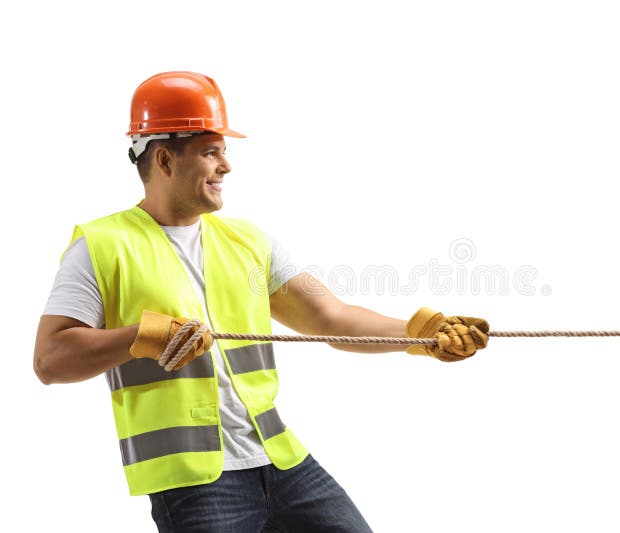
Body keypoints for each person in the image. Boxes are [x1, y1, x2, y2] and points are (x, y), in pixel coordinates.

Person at [33, 71, 490, 533]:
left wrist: (421, 335)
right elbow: (50, 359)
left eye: (224, 153)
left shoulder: (249, 242)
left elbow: (329, 317)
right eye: (211, 152)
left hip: (281, 460)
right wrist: (141, 337)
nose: (226, 167)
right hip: (194, 483)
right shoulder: (101, 246)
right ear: (166, 159)